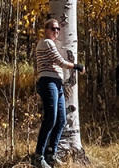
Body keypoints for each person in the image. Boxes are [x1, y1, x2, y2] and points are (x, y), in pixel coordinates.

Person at [33, 18, 84, 168]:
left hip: (57, 83)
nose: (56, 31)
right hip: (48, 82)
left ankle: (51, 154)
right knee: (50, 118)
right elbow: (60, 61)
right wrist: (77, 66)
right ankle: (38, 156)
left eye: (58, 29)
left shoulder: (52, 44)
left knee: (61, 120)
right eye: (53, 28)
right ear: (46, 30)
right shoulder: (46, 43)